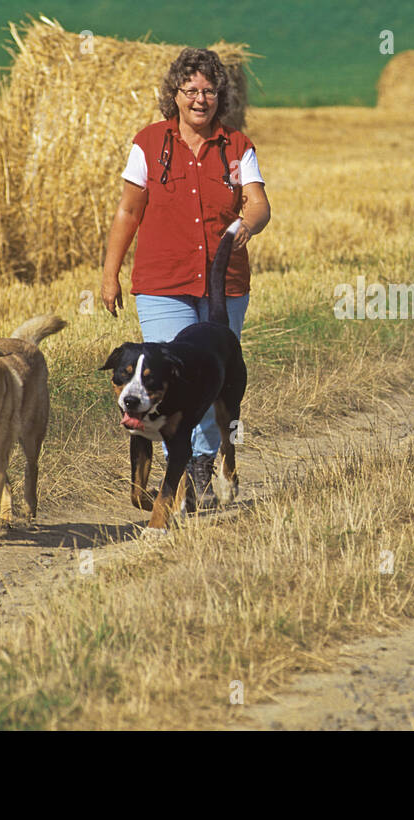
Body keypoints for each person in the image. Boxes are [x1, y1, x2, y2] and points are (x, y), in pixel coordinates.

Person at [102, 47, 271, 509]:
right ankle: (172, 467)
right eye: (191, 90)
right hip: (162, 282)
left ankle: (199, 465)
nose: (201, 99)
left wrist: (247, 225)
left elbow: (257, 203)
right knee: (170, 378)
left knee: (211, 379)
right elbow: (128, 210)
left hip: (224, 285)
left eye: (210, 90)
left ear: (222, 96)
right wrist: (109, 273)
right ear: (174, 94)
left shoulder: (237, 148)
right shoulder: (149, 143)